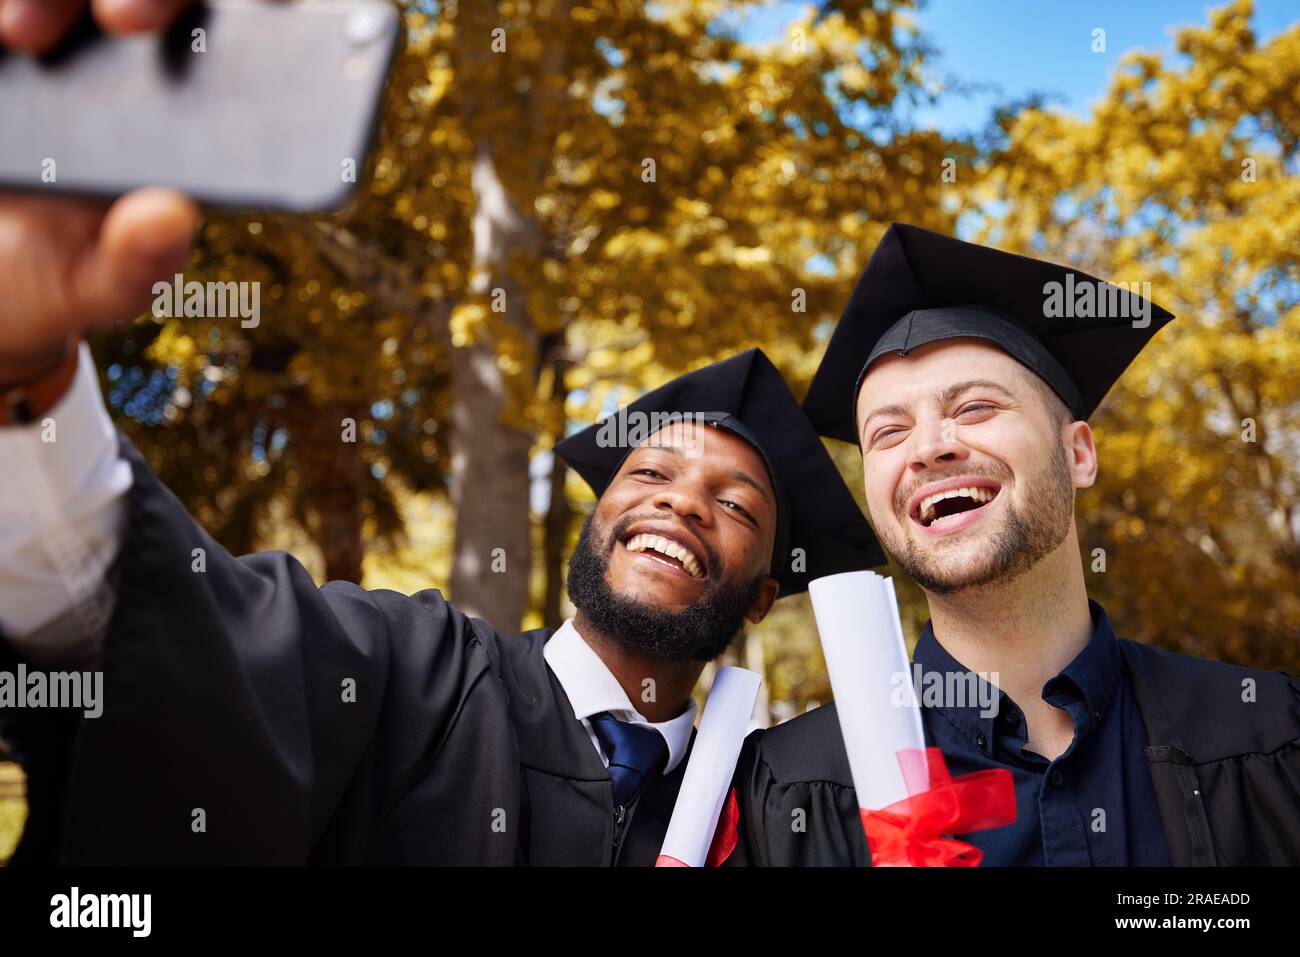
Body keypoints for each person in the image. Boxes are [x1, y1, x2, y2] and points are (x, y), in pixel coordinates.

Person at [0, 2, 890, 864]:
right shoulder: (404, 672)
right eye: (650, 470)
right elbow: (163, 631)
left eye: (734, 503)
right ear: (598, 512)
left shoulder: (772, 814)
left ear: (764, 595)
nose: (682, 502)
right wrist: (28, 380)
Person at [730, 223, 1300, 866]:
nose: (927, 447)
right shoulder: (790, 790)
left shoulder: (1268, 731)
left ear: (1078, 453)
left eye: (974, 408)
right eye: (887, 434)